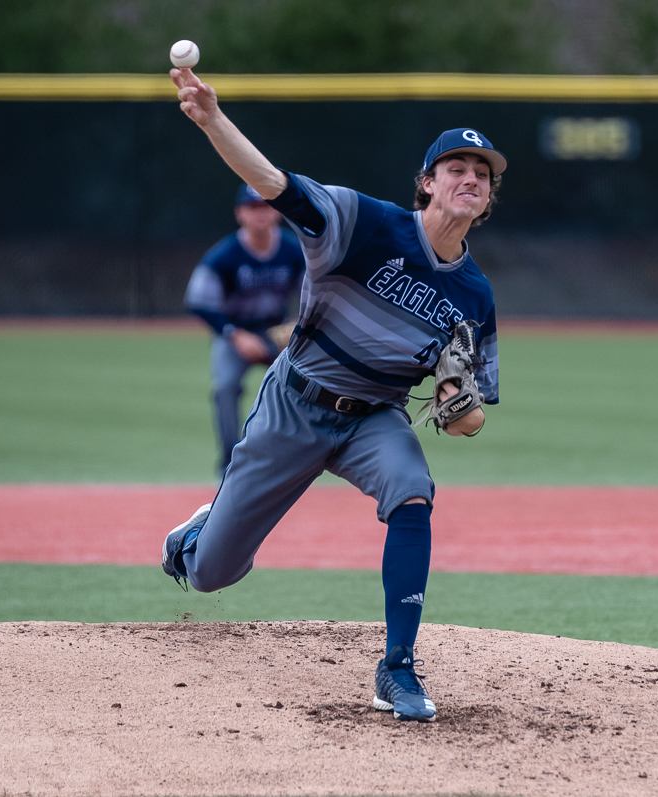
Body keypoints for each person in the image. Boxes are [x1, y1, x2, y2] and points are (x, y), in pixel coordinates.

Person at [160, 67, 502, 723]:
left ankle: (397, 669)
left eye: (481, 175)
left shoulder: (474, 295)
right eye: (454, 167)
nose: (469, 179)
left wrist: (459, 400)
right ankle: (197, 533)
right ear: (427, 182)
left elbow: (468, 417)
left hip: (374, 416)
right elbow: (273, 184)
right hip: (295, 403)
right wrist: (212, 120)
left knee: (413, 489)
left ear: (486, 200)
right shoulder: (359, 223)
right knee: (212, 574)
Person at [184, 183, 304, 475]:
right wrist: (235, 335)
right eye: (252, 208)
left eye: (264, 206)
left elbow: (317, 294)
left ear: (275, 212)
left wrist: (299, 329)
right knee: (224, 387)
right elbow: (198, 301)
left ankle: (300, 460)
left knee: (305, 385)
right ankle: (228, 465)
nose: (259, 214)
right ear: (240, 214)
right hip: (234, 332)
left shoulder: (293, 250)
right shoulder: (224, 255)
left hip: (277, 332)